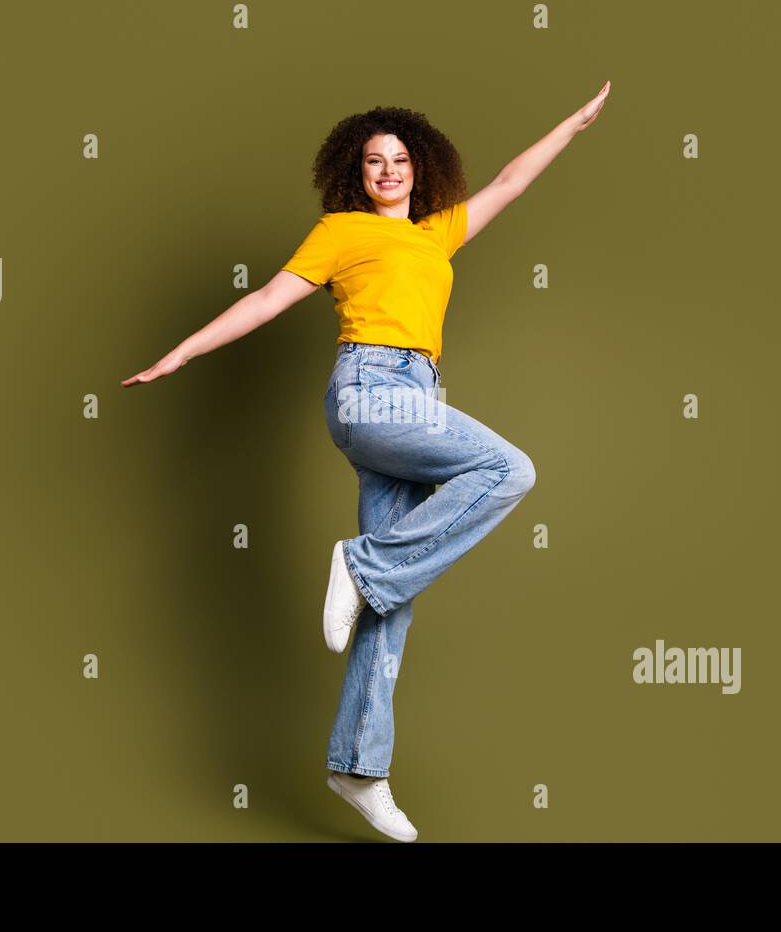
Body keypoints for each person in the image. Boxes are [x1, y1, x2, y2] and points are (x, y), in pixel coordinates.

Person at [123, 80, 612, 841]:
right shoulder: (340, 231)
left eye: (401, 160)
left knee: (388, 610)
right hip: (372, 389)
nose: (389, 170)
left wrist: (573, 126)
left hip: (416, 390)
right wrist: (180, 353)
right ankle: (363, 566)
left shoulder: (436, 233)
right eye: (375, 161)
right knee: (508, 470)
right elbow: (265, 299)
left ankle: (358, 766)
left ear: (421, 171)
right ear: (358, 173)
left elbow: (512, 180)